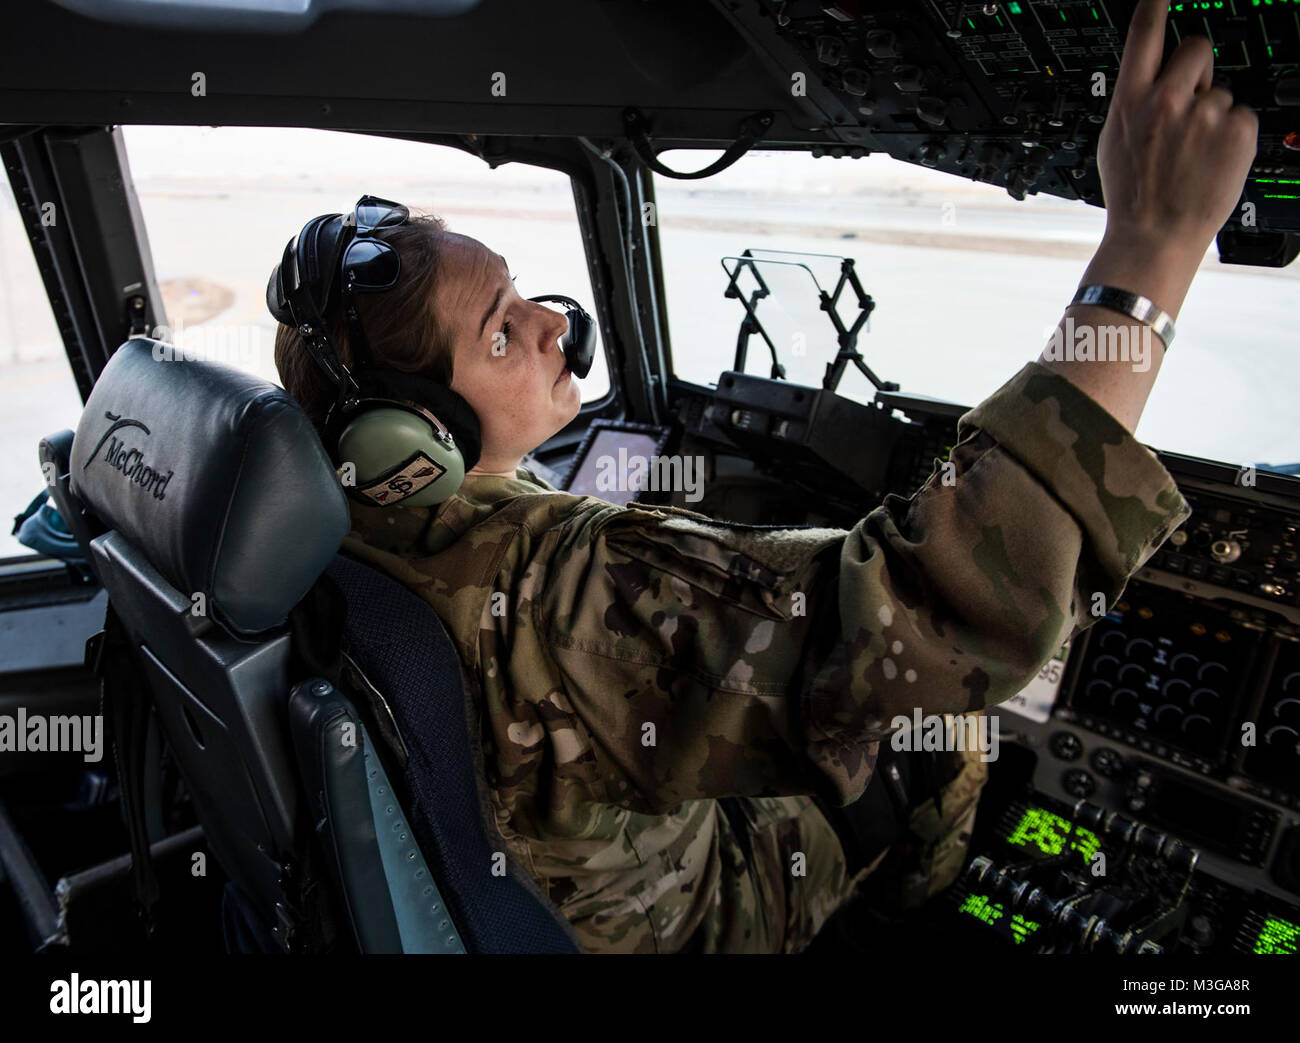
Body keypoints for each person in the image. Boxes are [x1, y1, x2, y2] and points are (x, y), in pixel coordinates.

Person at [270, 0, 1257, 953]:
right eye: (499, 332)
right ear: (415, 435)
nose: (551, 324)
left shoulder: (325, 523)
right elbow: (928, 619)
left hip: (536, 877)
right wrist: (1149, 248)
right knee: (935, 725)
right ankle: (908, 920)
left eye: (521, 292)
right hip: (689, 912)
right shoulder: (558, 583)